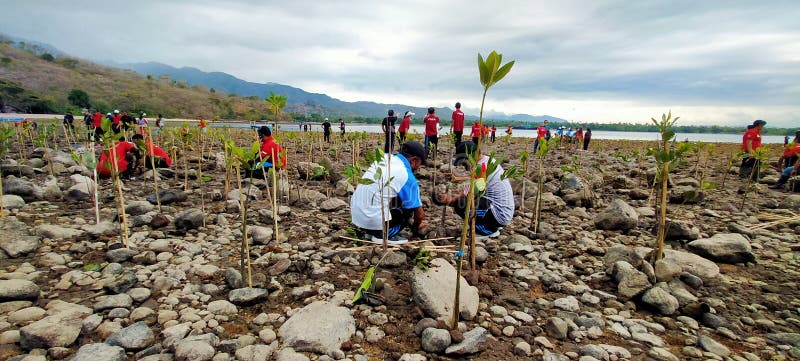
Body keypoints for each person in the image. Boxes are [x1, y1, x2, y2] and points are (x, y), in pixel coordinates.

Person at [350, 141, 427, 244]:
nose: (418, 168)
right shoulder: (406, 175)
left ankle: (370, 230)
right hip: (373, 220)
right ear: (414, 160)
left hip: (358, 218)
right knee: (408, 207)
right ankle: (383, 234)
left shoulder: (384, 158)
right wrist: (416, 226)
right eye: (420, 164)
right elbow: (419, 213)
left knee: (392, 195)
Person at [434, 141, 514, 238]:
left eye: (464, 162)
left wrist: (450, 200)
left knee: (462, 205)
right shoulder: (487, 161)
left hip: (499, 214)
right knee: (465, 201)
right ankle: (490, 224)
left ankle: (488, 230)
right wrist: (456, 179)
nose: (464, 166)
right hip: (504, 211)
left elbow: (468, 193)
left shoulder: (480, 168)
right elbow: (475, 183)